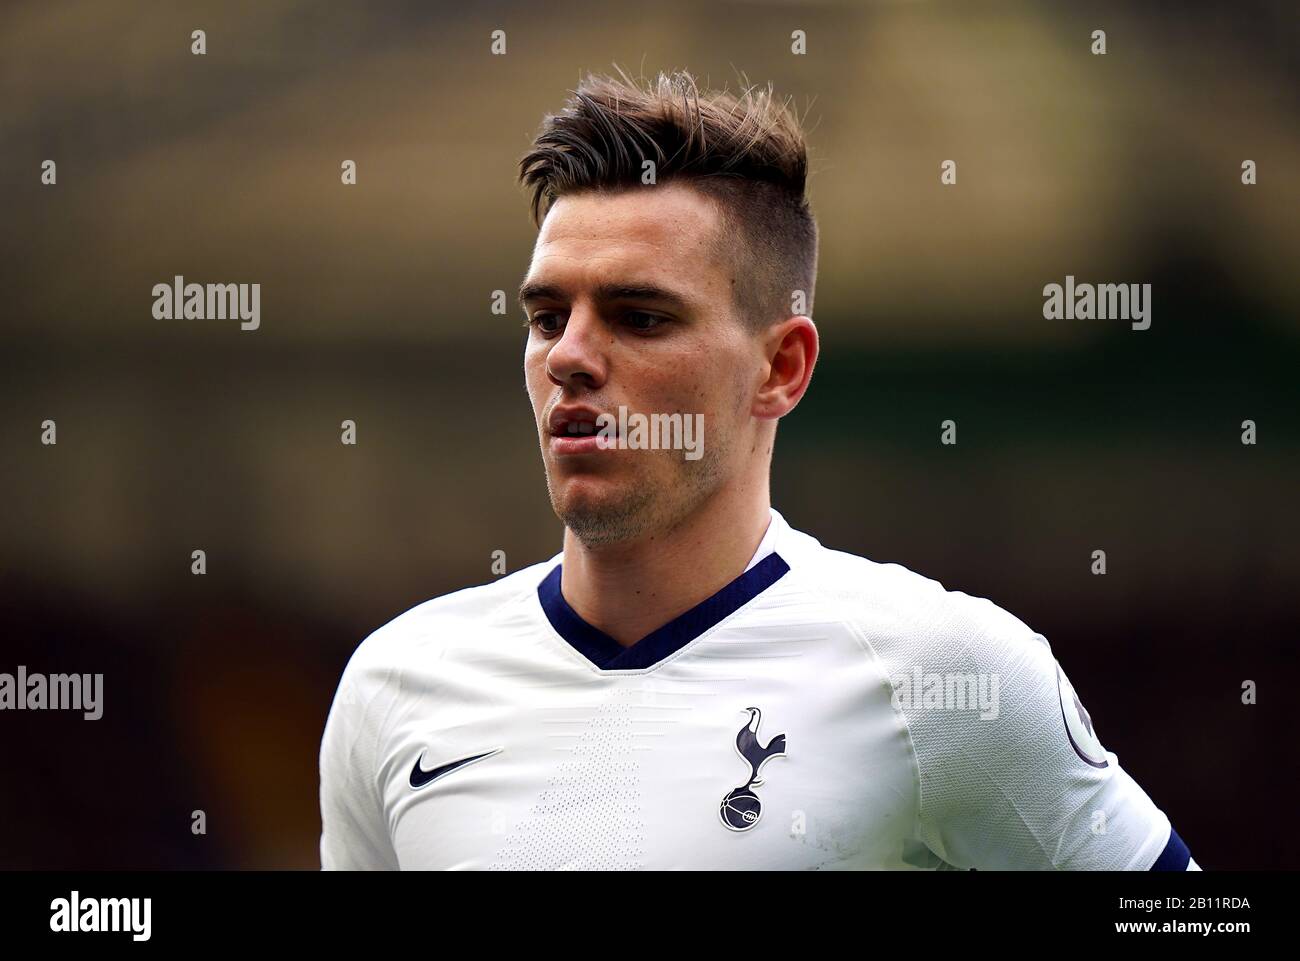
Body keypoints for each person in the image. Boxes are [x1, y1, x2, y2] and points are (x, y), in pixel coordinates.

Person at [319, 68, 1197, 870]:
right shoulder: (397, 684)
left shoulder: (937, 673)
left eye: (640, 316)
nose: (570, 358)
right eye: (548, 316)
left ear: (781, 368)